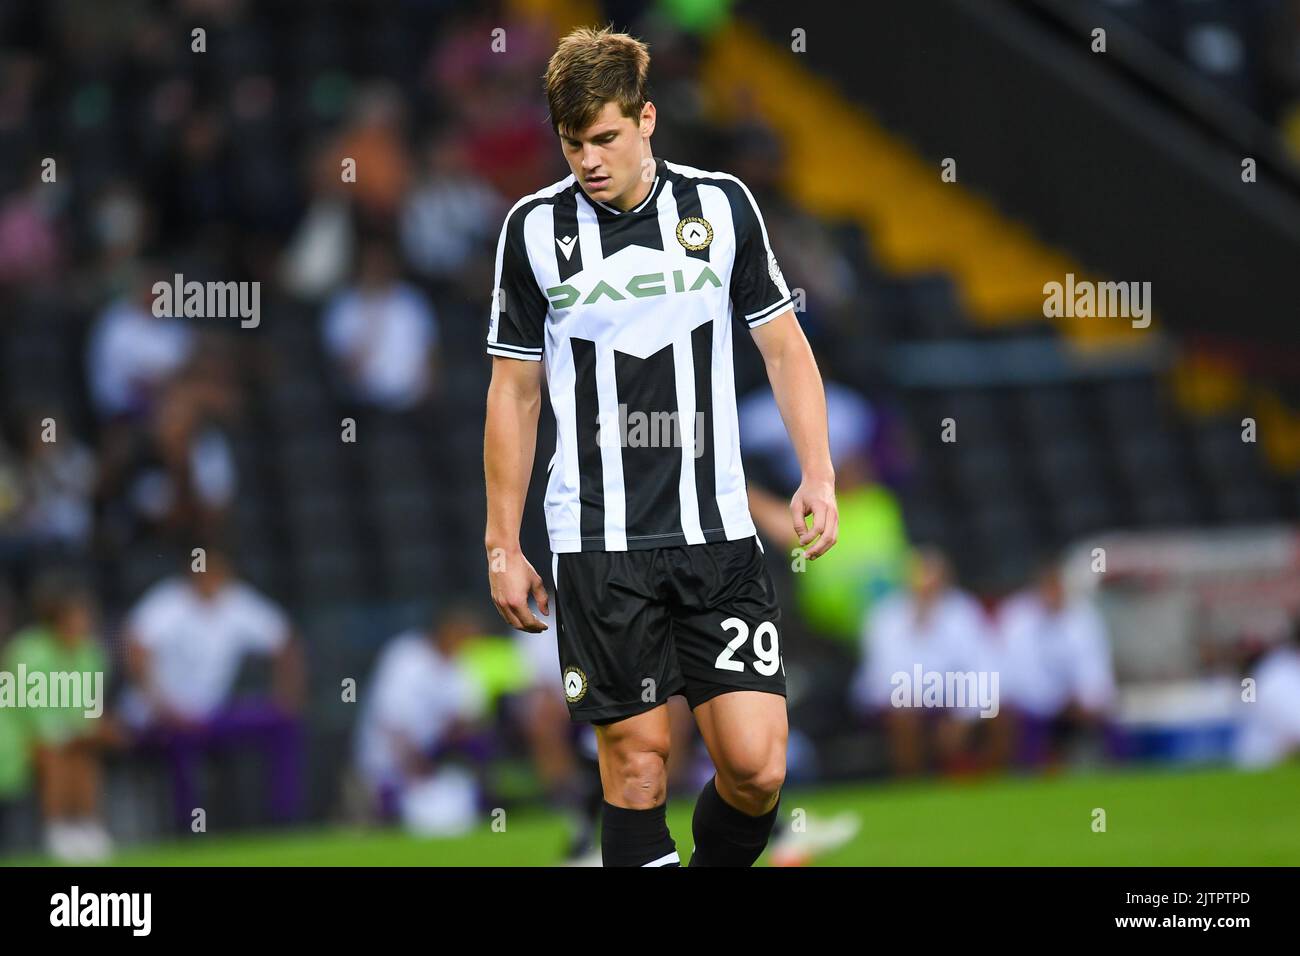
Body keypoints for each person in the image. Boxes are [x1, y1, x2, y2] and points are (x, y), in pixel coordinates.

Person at [482, 26, 838, 867]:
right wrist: (503, 540)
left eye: (605, 137)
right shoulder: (532, 231)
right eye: (573, 144)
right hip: (599, 541)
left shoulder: (720, 206)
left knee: (755, 766)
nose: (589, 160)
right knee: (637, 765)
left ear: (646, 120)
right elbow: (514, 390)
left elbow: (784, 347)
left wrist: (817, 471)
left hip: (715, 535)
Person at [120, 545, 306, 830]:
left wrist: (286, 695)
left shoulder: (236, 602)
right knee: (179, 738)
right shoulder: (167, 603)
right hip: (158, 718)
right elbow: (134, 651)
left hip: (210, 715)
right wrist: (164, 707)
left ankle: (284, 820)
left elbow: (285, 642)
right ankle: (189, 829)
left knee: (283, 723)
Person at [0, 573, 120, 861]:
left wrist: (98, 729)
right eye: (78, 617)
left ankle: (87, 826)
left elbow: (90, 709)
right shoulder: (26, 652)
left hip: (65, 736)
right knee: (56, 752)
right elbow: (30, 713)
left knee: (82, 752)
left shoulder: (92, 654)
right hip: (14, 735)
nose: (85, 623)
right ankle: (57, 830)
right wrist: (77, 732)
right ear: (57, 620)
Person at [851, 547, 992, 777]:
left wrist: (962, 717)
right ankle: (911, 784)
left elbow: (981, 668)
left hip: (947, 700)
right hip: (896, 701)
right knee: (904, 717)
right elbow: (884, 678)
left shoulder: (964, 611)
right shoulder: (884, 616)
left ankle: (991, 781)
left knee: (998, 713)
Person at [352, 607, 489, 836]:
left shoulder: (462, 663)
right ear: (446, 629)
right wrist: (416, 766)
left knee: (479, 747)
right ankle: (383, 813)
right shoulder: (406, 656)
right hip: (390, 763)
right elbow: (392, 726)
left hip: (433, 757)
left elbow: (470, 717)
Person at [998, 553, 1118, 768]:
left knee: (1109, 721)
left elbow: (1095, 667)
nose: (1053, 593)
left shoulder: (1084, 615)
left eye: (1057, 586)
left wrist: (1087, 699)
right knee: (1020, 724)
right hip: (1033, 706)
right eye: (1047, 587)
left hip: (1075, 705)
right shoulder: (1017, 617)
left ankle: (1115, 774)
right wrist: (1055, 701)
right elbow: (1019, 674)